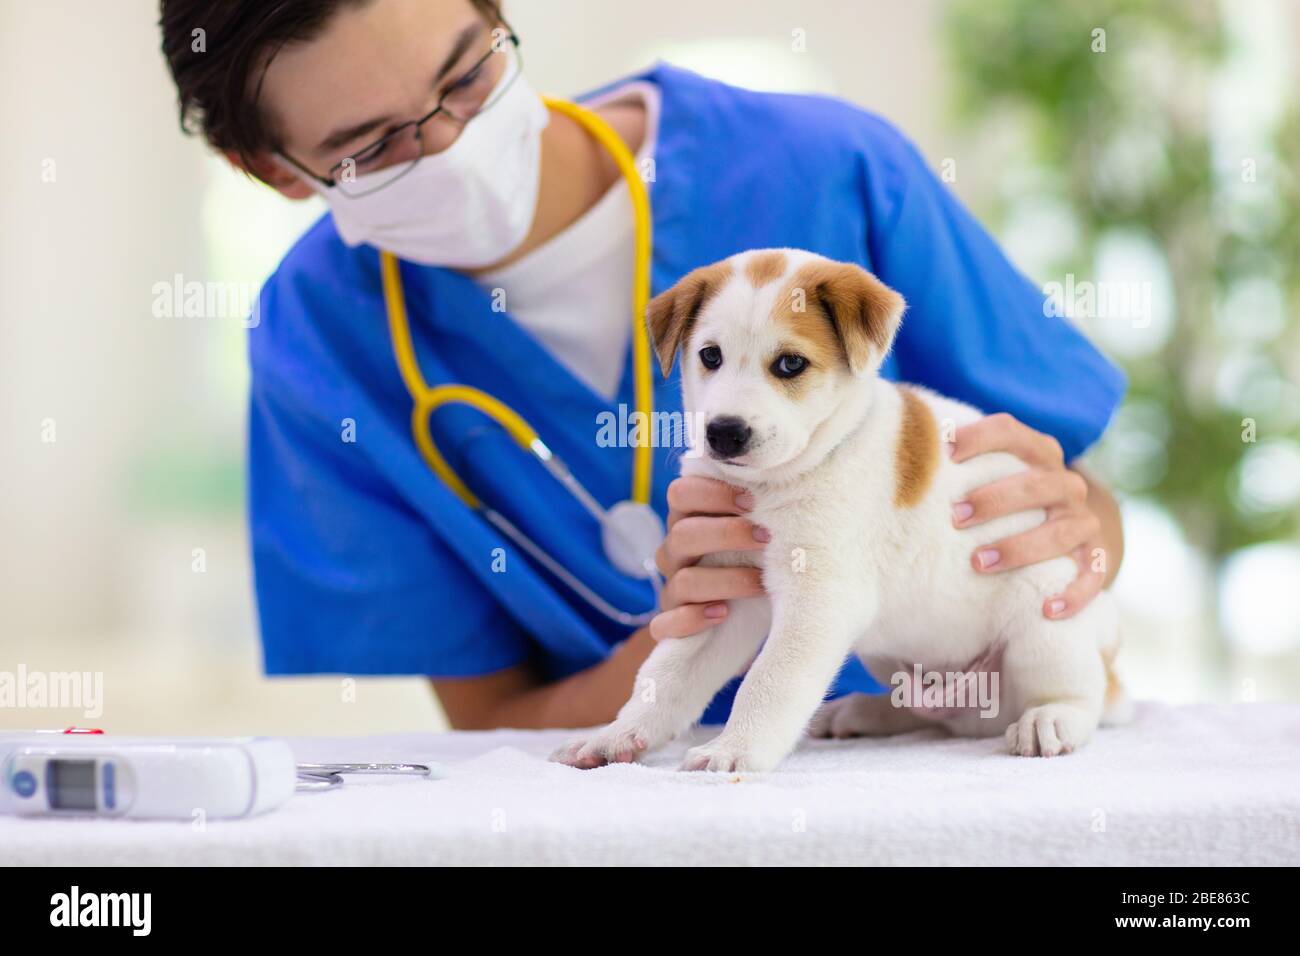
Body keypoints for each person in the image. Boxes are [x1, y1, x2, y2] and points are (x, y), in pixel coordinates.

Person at [159, 0, 1126, 730]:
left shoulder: (832, 166)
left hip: (956, 762)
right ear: (274, 171)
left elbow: (1087, 519)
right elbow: (491, 730)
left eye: (466, 77)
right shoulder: (317, 340)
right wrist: (693, 630)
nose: (449, 144)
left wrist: (1077, 534)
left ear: (498, 14)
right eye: (371, 145)